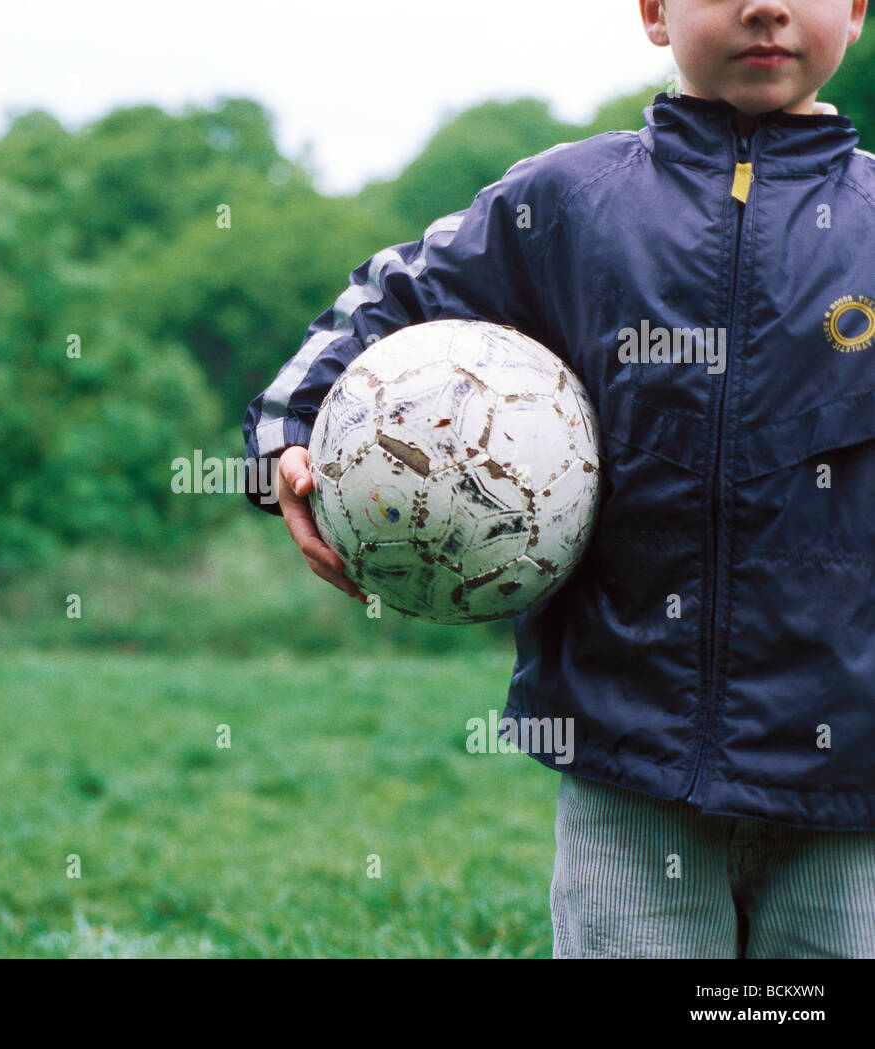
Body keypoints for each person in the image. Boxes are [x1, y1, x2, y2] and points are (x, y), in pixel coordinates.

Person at [242, 0, 875, 958]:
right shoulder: (571, 202)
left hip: (853, 776)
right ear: (656, 12)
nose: (766, 6)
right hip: (627, 758)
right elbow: (385, 297)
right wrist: (290, 430)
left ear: (859, 9)